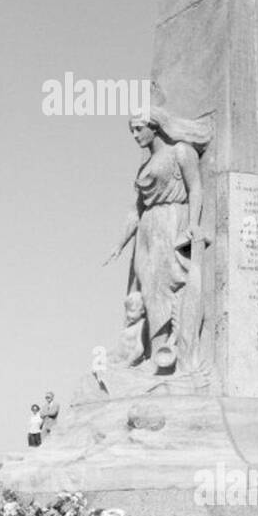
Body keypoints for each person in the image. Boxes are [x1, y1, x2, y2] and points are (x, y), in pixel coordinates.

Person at [104, 104, 212, 375]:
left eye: (138, 129)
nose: (135, 135)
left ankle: (166, 356)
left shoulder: (181, 151)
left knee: (164, 285)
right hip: (147, 230)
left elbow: (195, 187)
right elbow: (135, 209)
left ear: (154, 127)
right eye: (132, 130)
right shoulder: (146, 164)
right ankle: (151, 351)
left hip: (171, 219)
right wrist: (120, 244)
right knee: (145, 289)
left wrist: (193, 224)